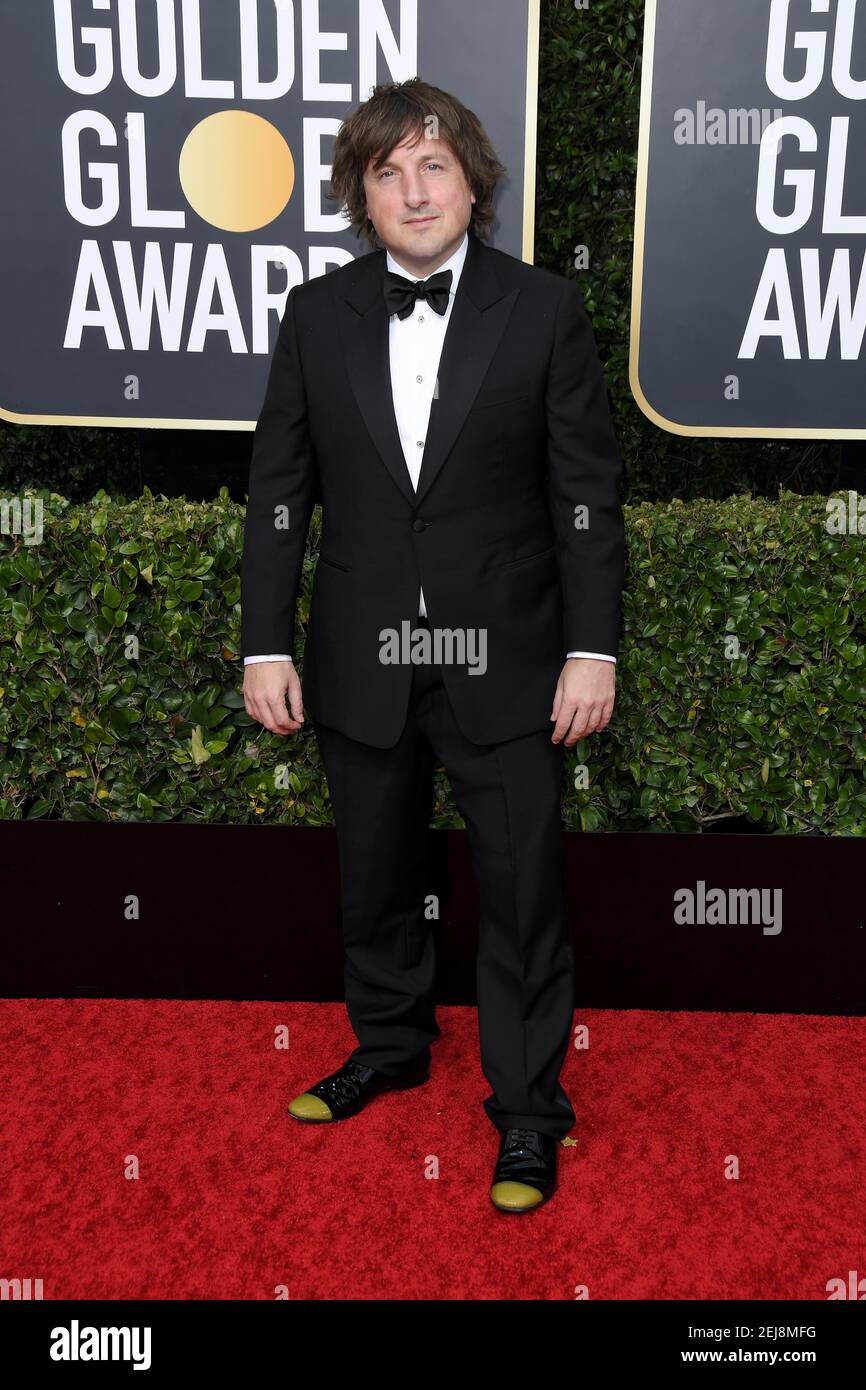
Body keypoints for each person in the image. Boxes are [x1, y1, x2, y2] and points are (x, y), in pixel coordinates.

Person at [241, 78, 625, 1213]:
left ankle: (525, 1113)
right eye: (387, 170)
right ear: (361, 193)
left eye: (435, 166)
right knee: (374, 875)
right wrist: (265, 642)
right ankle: (391, 1044)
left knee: (518, 891)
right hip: (361, 653)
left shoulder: (543, 308)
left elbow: (585, 495)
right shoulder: (316, 314)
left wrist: (591, 649)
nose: (414, 189)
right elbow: (278, 492)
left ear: (473, 182)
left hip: (506, 657)